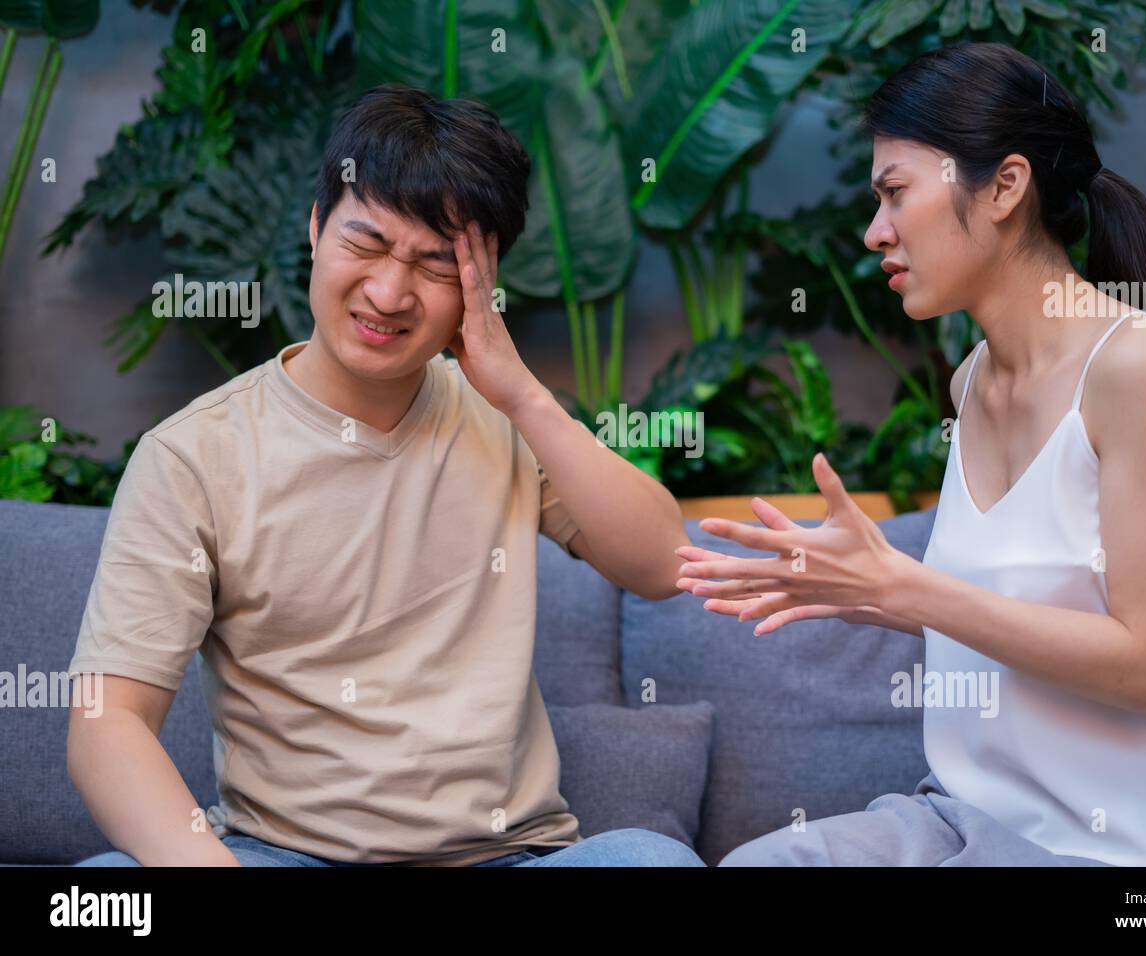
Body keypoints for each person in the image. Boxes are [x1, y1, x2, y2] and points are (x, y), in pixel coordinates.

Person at [68, 85, 702, 868]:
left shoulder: (504, 419)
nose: (389, 293)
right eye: (366, 244)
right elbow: (107, 723)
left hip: (504, 859)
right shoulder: (193, 457)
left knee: (651, 862)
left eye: (437, 264)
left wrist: (524, 396)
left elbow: (667, 565)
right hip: (286, 857)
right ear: (314, 227)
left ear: (481, 284)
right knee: (99, 899)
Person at [674, 42, 1146, 867]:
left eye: (895, 193)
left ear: (1005, 186)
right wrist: (860, 590)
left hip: (1130, 852)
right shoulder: (971, 381)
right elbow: (1003, 612)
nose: (874, 232)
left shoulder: (1136, 365)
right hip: (971, 822)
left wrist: (909, 587)